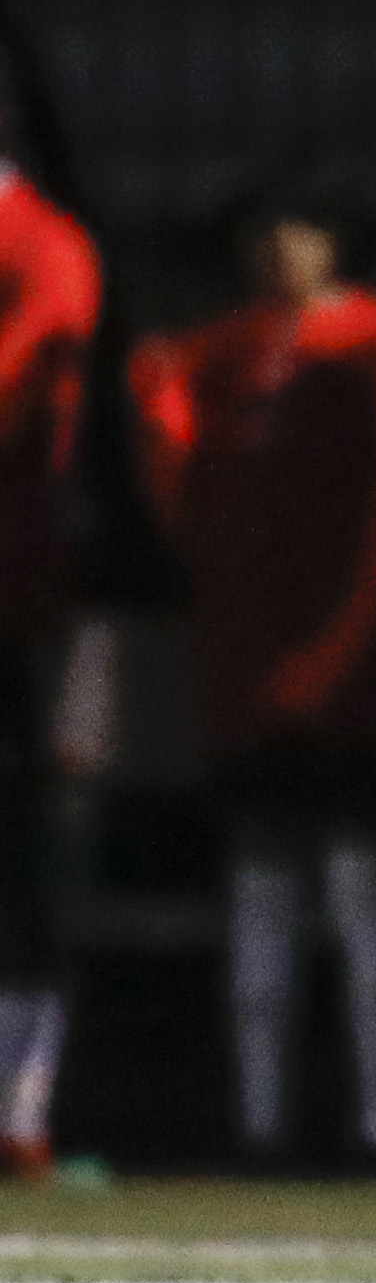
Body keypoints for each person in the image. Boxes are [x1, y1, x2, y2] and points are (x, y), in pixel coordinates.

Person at [130, 189, 376, 1166]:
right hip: (247, 663)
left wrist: (351, 640)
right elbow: (178, 484)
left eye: (301, 229)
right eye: (263, 233)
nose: (281, 251)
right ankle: (261, 1122)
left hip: (350, 664)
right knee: (259, 884)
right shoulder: (215, 351)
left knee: (357, 884)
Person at [0, 121, 98, 1181]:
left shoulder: (40, 244)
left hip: (11, 603)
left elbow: (22, 368)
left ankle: (19, 1106)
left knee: (21, 855)